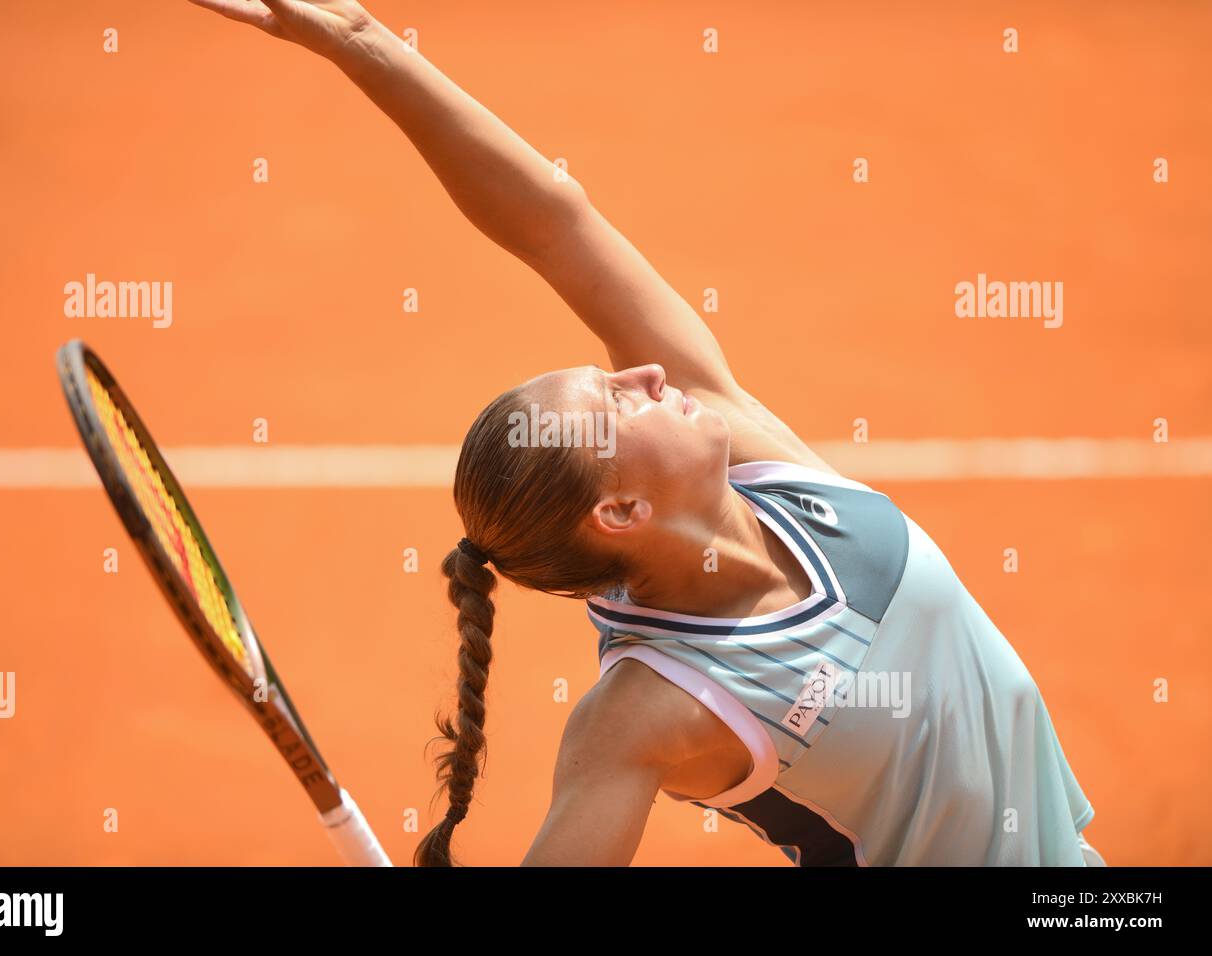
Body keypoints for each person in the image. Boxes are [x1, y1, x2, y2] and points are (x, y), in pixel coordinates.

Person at [190, 0, 1100, 867]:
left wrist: (362, 39)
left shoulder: (762, 469)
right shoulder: (645, 710)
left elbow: (557, 226)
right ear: (621, 509)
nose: (646, 374)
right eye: (616, 403)